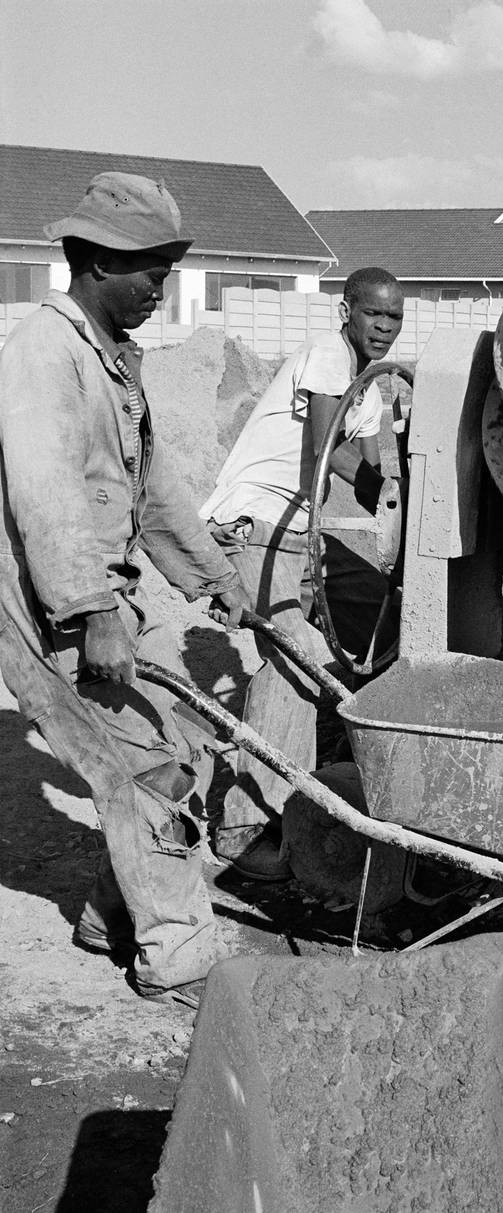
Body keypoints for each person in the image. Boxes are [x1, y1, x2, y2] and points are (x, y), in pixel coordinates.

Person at [0, 172, 252, 1009]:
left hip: (99, 599)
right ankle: (176, 955)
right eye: (151, 272)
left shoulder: (111, 360)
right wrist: (93, 612)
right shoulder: (45, 352)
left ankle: (107, 916)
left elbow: (153, 489)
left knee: (173, 749)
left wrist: (217, 580)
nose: (161, 290)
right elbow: (47, 494)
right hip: (48, 610)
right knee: (147, 771)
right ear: (101, 260)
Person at [201, 267, 405, 880]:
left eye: (395, 317)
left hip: (302, 531)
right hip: (255, 521)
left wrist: (407, 503)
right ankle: (243, 828)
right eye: (374, 314)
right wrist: (383, 488)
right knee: (297, 658)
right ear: (347, 312)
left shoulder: (371, 390)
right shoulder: (326, 355)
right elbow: (325, 452)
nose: (385, 327)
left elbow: (368, 476)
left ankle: (344, 752)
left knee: (384, 616)